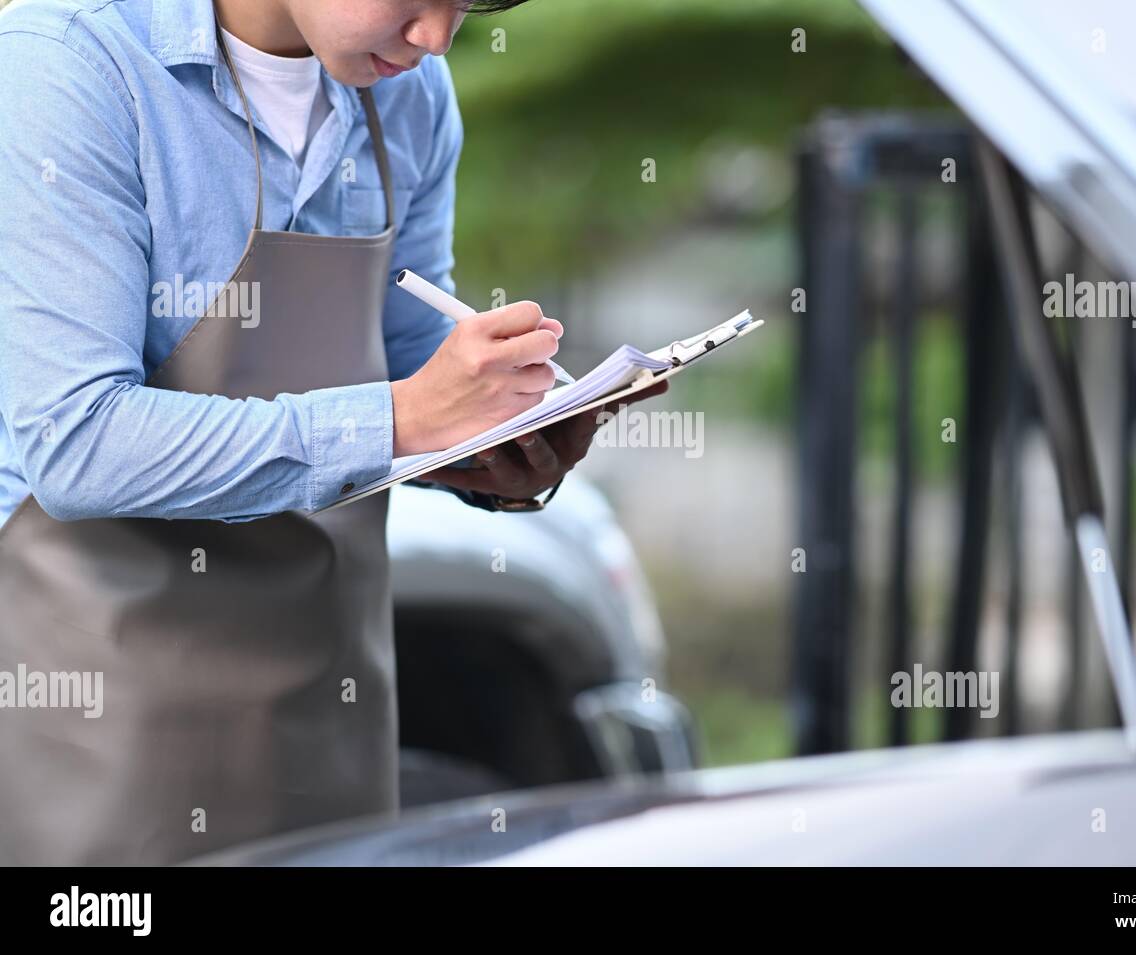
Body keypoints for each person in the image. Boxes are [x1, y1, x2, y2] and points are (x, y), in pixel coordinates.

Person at [0, 0, 665, 865]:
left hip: (326, 696)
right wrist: (402, 417)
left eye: (467, 7)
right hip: (86, 697)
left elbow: (404, 354)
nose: (435, 38)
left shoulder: (412, 99)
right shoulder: (65, 66)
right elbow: (76, 442)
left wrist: (490, 438)